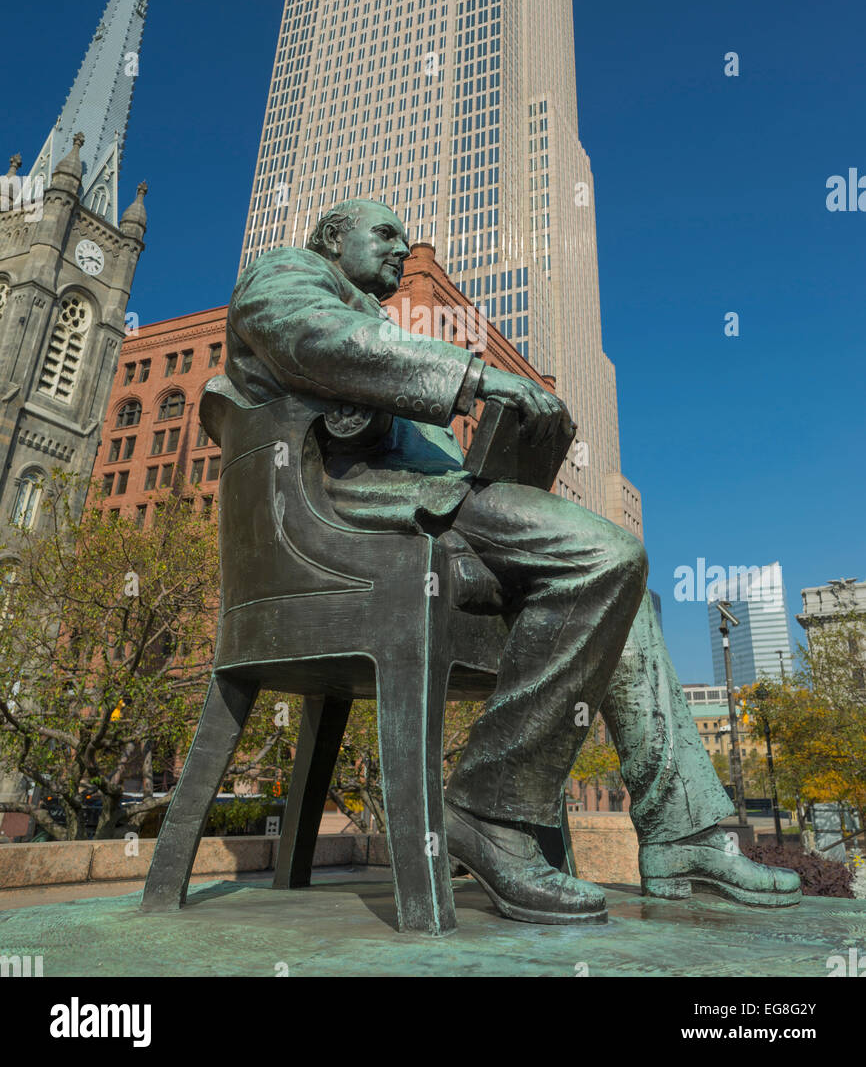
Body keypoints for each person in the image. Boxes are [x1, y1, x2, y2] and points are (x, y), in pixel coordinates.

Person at [225, 199, 800, 924]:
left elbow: (444, 464)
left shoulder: (379, 322)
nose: (404, 249)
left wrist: (510, 459)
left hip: (427, 513)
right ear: (334, 238)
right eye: (386, 235)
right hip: (343, 520)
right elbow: (316, 340)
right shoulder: (284, 276)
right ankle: (487, 816)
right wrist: (481, 379)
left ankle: (683, 832)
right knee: (608, 551)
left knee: (621, 590)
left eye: (407, 240)